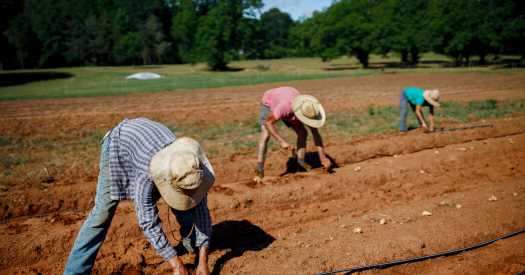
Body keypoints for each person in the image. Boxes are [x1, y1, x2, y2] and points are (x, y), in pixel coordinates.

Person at [64, 117, 215, 275]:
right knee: (101, 214)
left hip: (148, 143)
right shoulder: (146, 175)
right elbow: (148, 221)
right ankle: (75, 271)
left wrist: (203, 261)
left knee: (189, 202)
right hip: (118, 146)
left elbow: (202, 212)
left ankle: (191, 247)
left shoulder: (191, 167)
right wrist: (176, 265)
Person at [255, 86, 330, 180]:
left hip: (289, 97)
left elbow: (316, 135)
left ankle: (301, 164)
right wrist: (281, 141)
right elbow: (268, 122)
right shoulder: (285, 108)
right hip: (270, 101)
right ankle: (259, 169)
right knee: (266, 134)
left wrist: (323, 158)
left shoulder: (308, 111)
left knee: (303, 133)